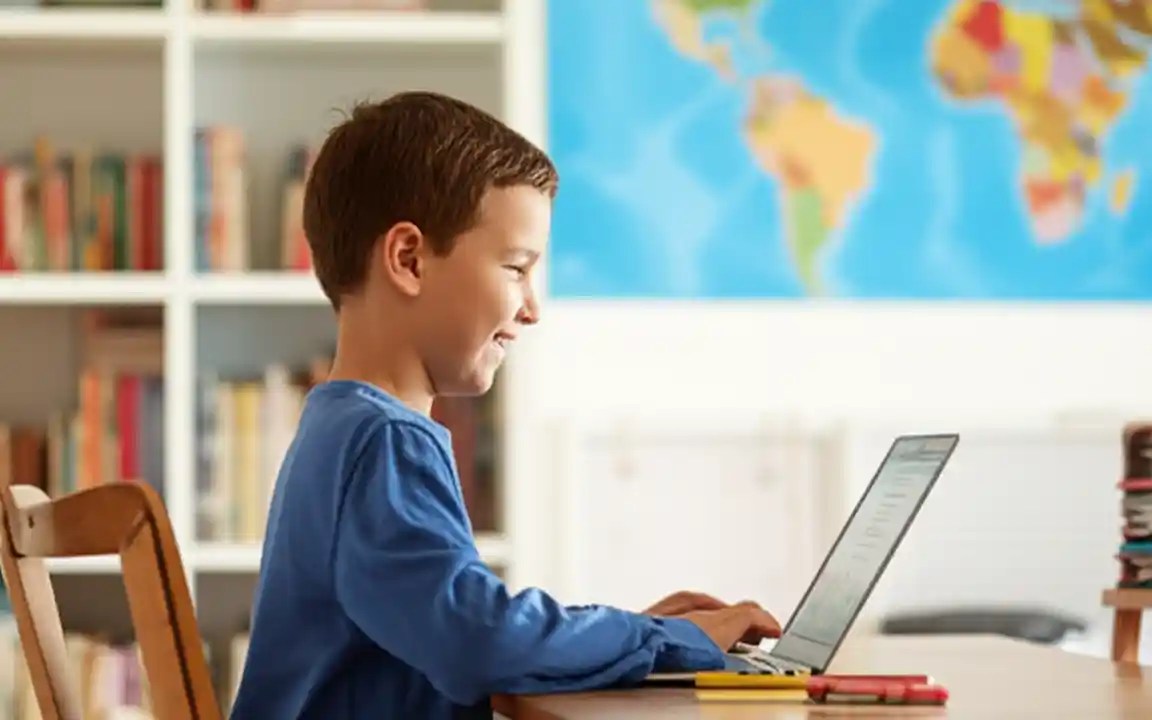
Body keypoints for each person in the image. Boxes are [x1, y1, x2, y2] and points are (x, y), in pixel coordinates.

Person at [228, 91, 782, 720]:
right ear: (408, 259)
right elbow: (479, 640)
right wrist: (669, 641)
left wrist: (629, 635)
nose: (531, 308)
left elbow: (464, 620)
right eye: (516, 268)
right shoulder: (383, 442)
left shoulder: (337, 426)